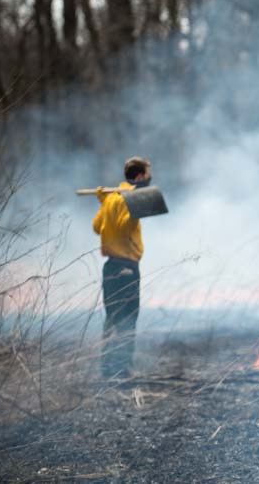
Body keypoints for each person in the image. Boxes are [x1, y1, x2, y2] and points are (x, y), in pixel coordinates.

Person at [92, 156, 152, 378]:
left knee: (112, 317)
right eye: (147, 175)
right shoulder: (130, 198)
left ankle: (107, 368)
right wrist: (136, 207)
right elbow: (123, 225)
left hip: (110, 267)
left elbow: (97, 227)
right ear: (139, 176)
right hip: (127, 267)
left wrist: (104, 204)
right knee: (127, 318)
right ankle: (122, 370)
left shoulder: (112, 198)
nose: (148, 179)